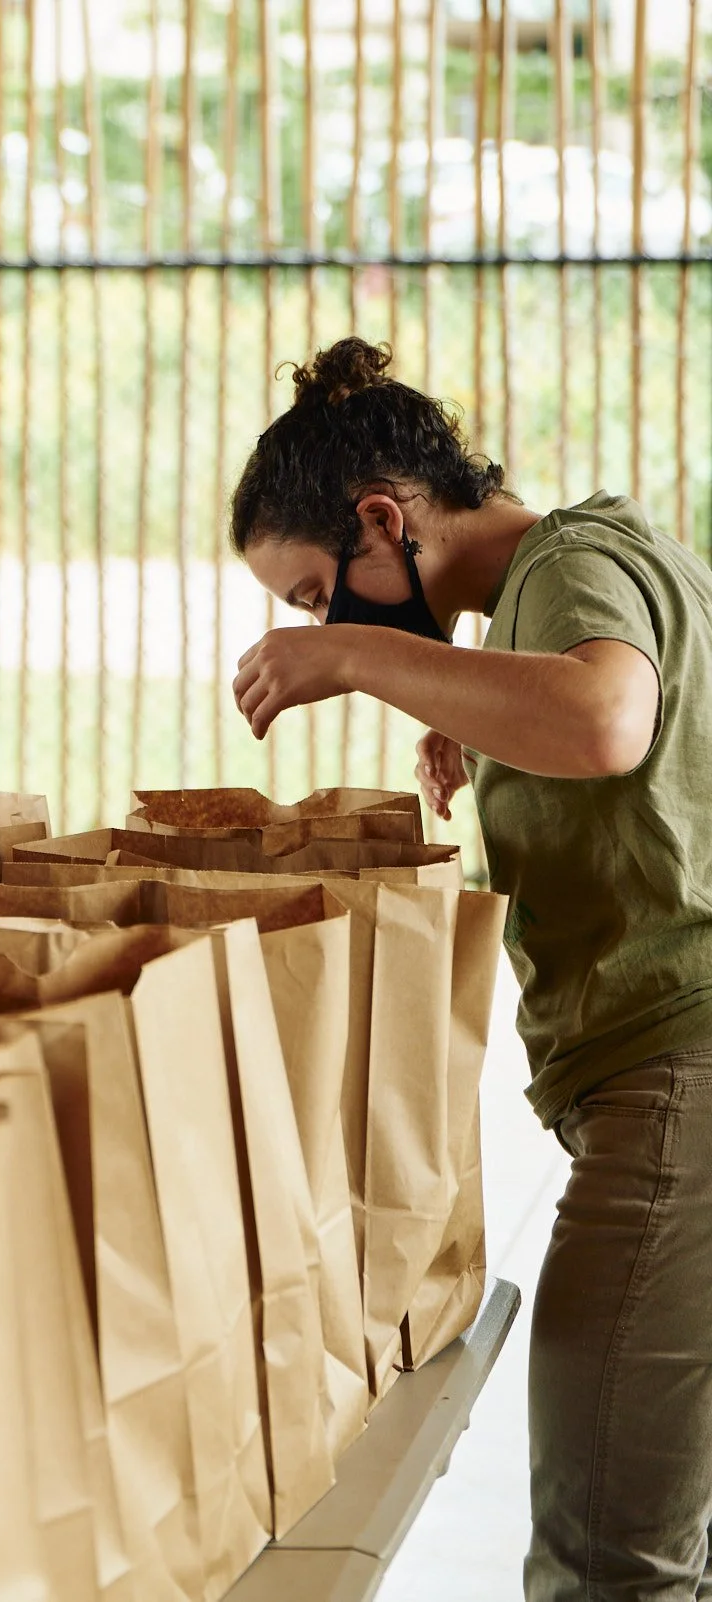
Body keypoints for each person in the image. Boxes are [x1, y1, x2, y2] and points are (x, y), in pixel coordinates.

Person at [226, 337, 712, 1601]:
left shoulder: (572, 561)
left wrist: (355, 661)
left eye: (315, 595)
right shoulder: (572, 575)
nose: (320, 626)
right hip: (667, 1074)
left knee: (612, 1558)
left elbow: (607, 720)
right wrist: (471, 722)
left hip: (683, 1075)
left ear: (384, 521)